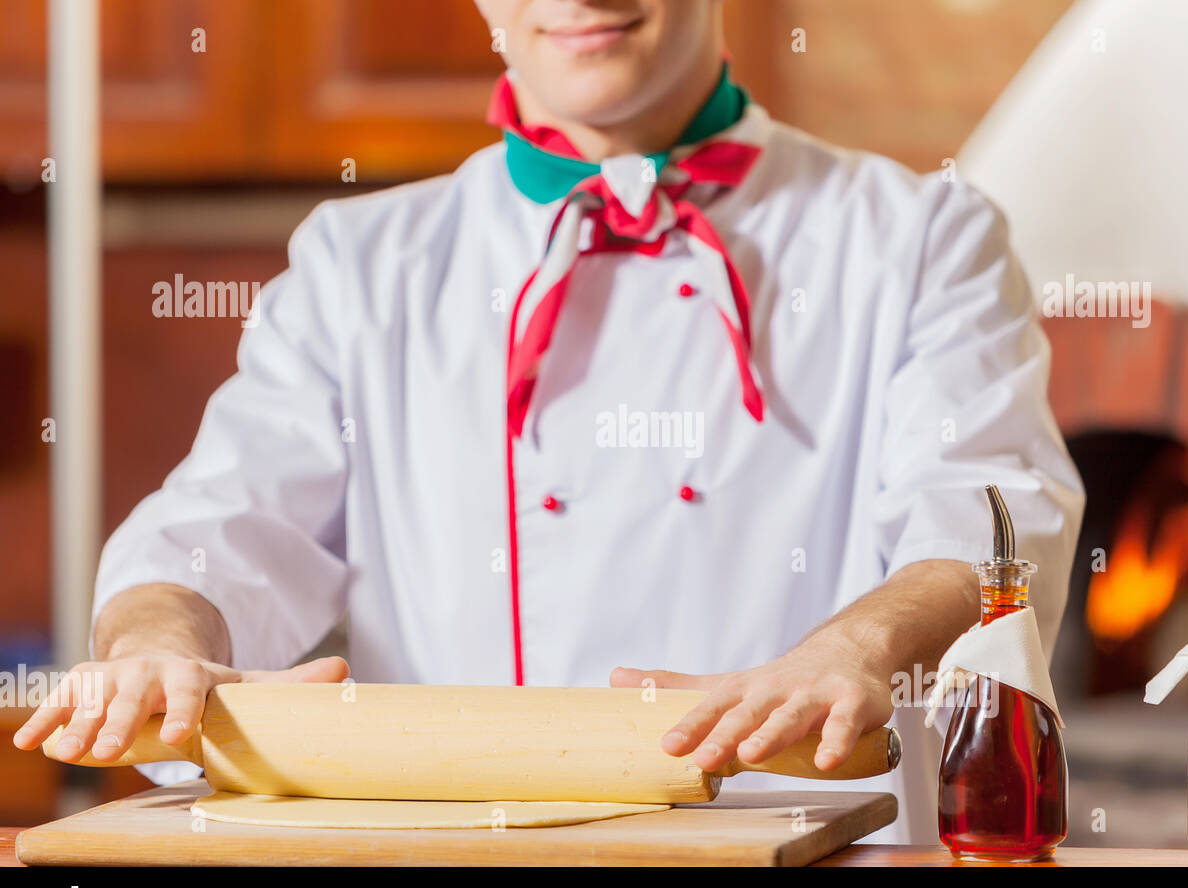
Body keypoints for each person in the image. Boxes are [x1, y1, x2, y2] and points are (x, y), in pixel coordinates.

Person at [14, 0, 1083, 843]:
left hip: (811, 845)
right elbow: (216, 530)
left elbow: (988, 516)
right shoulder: (359, 265)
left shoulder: (920, 237)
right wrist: (157, 650)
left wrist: (857, 647)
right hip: (458, 862)